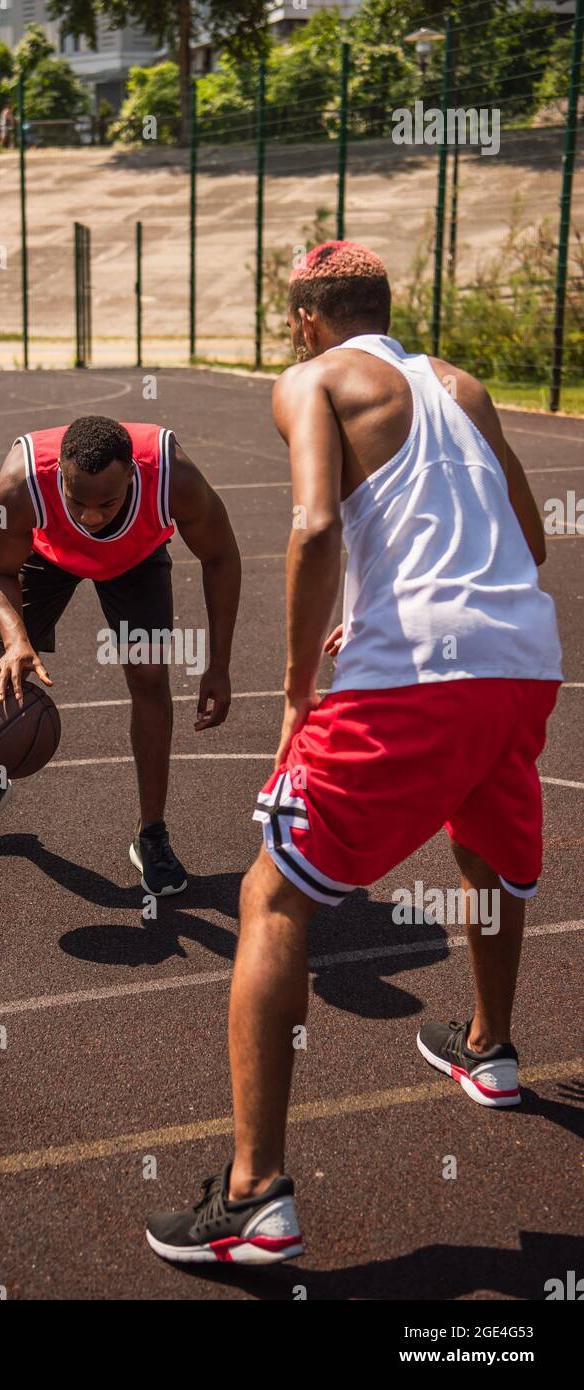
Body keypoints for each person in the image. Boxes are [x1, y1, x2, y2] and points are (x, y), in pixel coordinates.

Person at [146, 240, 562, 1264]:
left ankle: (253, 1196)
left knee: (273, 899)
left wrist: (297, 691)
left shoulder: (312, 380)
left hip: (416, 678)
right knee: (489, 851)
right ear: (389, 304)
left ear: (303, 318)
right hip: (521, 657)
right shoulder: (459, 381)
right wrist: (391, 607)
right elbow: (530, 537)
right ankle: (491, 1051)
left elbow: (317, 526)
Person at [0, 415, 241, 896]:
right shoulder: (23, 482)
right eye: (76, 500)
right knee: (0, 674)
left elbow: (221, 557)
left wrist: (220, 664)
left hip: (136, 559)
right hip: (46, 556)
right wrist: (17, 638)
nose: (90, 516)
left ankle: (151, 835)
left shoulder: (173, 475)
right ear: (58, 474)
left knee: (150, 682)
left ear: (134, 475)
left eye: (106, 502)